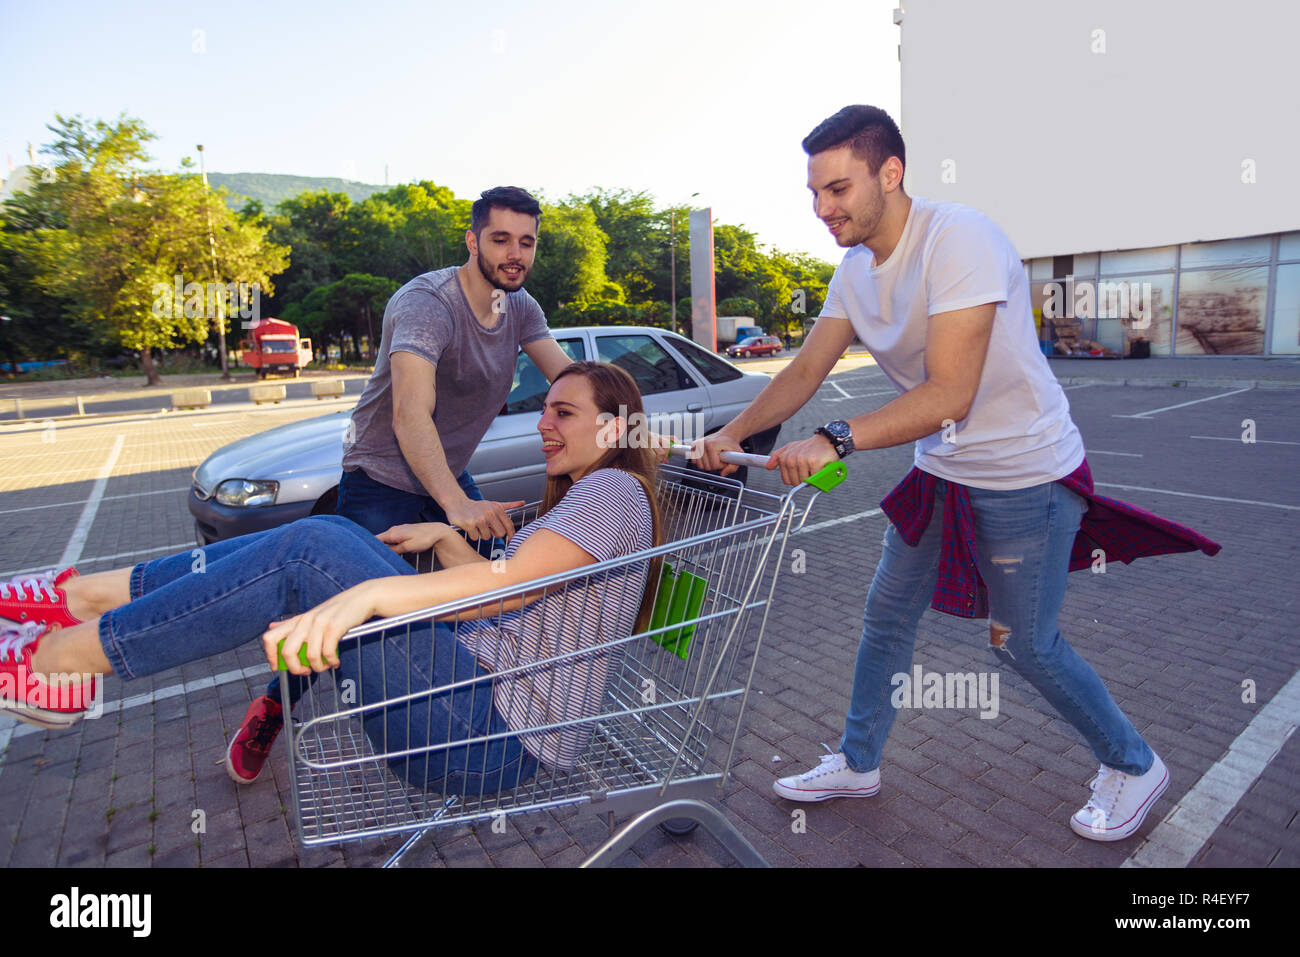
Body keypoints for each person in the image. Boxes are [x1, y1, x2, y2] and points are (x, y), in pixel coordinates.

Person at [696, 105, 1220, 842]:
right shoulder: (853, 272)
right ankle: (857, 758)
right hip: (945, 471)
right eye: (813, 193)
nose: (823, 209)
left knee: (1022, 643)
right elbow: (808, 368)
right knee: (886, 613)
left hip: (1025, 472)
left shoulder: (959, 238)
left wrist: (836, 438)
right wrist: (732, 432)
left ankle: (1133, 763)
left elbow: (951, 393)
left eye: (838, 189)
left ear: (890, 172)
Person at [0, 362, 660, 794]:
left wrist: (366, 595)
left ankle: (62, 656)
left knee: (316, 549)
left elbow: (510, 588)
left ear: (612, 424)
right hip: (470, 702)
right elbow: (513, 589)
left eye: (562, 412)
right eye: (545, 407)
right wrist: (446, 538)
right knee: (335, 535)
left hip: (487, 733)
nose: (543, 421)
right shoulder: (594, 493)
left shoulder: (610, 490)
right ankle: (80, 598)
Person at [246, 186, 575, 782]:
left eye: (526, 242)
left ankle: (460, 702)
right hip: (381, 477)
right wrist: (456, 504)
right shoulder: (427, 302)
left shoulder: (521, 307)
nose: (514, 254)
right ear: (473, 240)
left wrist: (629, 424)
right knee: (348, 609)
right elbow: (408, 415)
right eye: (500, 239)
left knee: (475, 589)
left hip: (447, 478)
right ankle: (274, 705)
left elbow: (573, 381)